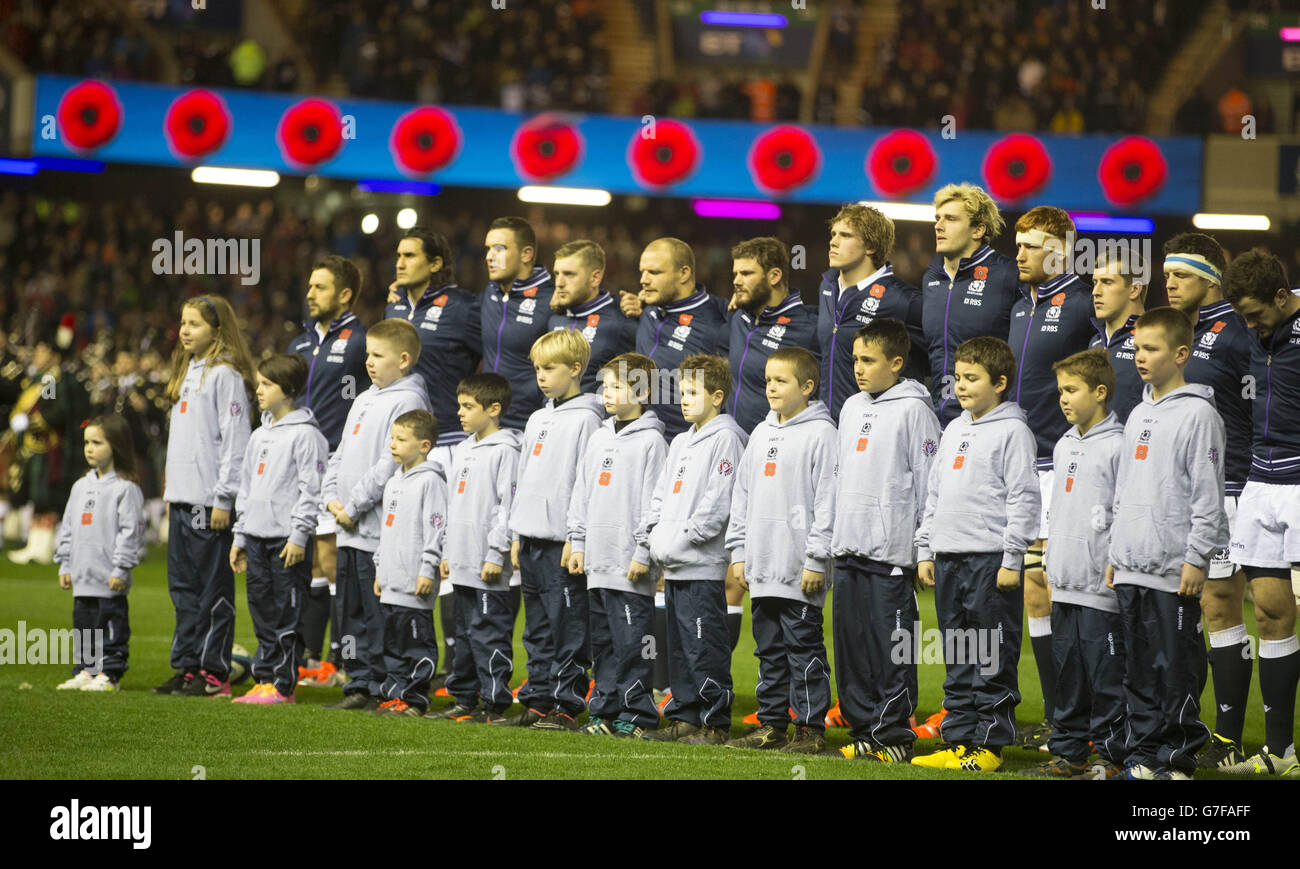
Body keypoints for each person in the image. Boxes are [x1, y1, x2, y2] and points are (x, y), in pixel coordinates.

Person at [1107, 307, 1227, 780]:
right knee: (1137, 671)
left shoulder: (1200, 414)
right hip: (1131, 565)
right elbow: (1123, 491)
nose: (1139, 356)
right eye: (1136, 347)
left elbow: (1207, 493)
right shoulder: (1137, 412)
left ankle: (1177, 759)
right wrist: (1117, 552)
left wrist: (1197, 558)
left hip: (1174, 568)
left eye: (1150, 348)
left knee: (1174, 669)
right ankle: (1141, 756)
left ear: (1181, 354)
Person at [913, 336, 1040, 772]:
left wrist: (1012, 558)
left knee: (990, 654)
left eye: (972, 378)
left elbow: (1024, 499)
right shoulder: (954, 428)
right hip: (949, 557)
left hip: (990, 561)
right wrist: (926, 547)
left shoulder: (1013, 431)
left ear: (1000, 382)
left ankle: (989, 745)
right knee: (959, 654)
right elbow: (934, 493)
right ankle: (959, 740)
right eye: (958, 377)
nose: (960, 386)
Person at [1161, 233, 1258, 770]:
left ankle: (1227, 737)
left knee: (1220, 604)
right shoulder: (1179, 331)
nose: (1169, 282)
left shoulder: (1237, 331)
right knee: (1185, 609)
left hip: (1229, 487)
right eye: (1168, 274)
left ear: (1212, 279)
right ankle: (1180, 724)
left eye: (1182, 275)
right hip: (1179, 489)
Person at [830, 319, 940, 762]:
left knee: (891, 650)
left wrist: (924, 548)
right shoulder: (851, 407)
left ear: (896, 363)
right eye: (855, 359)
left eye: (868, 360)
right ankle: (863, 730)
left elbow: (931, 485)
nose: (858, 368)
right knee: (853, 650)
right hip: (849, 548)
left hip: (892, 555)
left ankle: (892, 735)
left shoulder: (916, 411)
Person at [1008, 206, 1097, 750]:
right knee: (1035, 594)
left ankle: (1084, 720)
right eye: (1016, 245)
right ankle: (1058, 714)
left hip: (1062, 465)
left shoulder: (1085, 304)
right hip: (1021, 466)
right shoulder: (1021, 305)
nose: (1019, 254)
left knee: (1061, 587)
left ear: (1059, 250)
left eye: (1030, 245)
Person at [725, 347, 837, 754]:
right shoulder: (759, 432)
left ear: (806, 387)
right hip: (763, 565)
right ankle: (772, 724)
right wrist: (739, 552)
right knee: (769, 650)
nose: (771, 387)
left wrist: (816, 559)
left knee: (803, 649)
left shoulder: (823, 434)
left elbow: (827, 502)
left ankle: (809, 730)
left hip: (799, 568)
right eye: (768, 380)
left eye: (781, 381)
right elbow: (742, 497)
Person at [1022, 349, 1126, 779]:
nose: (1062, 398)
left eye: (1071, 390)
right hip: (1063, 582)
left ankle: (1110, 757)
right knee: (1069, 677)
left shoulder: (1119, 445)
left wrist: (1116, 560)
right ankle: (1069, 753)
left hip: (1100, 587)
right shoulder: (1064, 444)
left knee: (1107, 678)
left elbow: (1124, 510)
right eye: (1060, 389)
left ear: (1100, 392)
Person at [385, 227, 482, 685]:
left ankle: (453, 665)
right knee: (404, 552)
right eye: (398, 255)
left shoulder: (465, 308)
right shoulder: (394, 306)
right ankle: (406, 660)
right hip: (405, 448)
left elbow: (494, 356)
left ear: (437, 262)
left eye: (410, 255)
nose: (400, 263)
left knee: (447, 556)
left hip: (447, 444)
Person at [320, 319, 432, 710]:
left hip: (375, 529)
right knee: (349, 610)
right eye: (367, 353)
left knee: (376, 612)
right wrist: (331, 496)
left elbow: (389, 463)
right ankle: (358, 682)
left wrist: (353, 507)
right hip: (348, 525)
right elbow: (341, 451)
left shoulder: (408, 400)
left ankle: (383, 684)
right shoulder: (365, 397)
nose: (368, 362)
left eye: (377, 355)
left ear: (403, 360)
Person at [1220, 250, 1300, 775]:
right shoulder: (1251, 333)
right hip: (1259, 480)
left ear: (1280, 295)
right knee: (1270, 613)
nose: (1249, 326)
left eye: (1255, 315)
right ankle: (1280, 753)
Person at [501, 330, 604, 730]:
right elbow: (523, 479)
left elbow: (585, 482)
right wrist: (515, 533)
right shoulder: (537, 416)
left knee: (570, 628)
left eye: (549, 368)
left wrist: (574, 537)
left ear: (576, 369)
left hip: (561, 542)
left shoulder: (589, 419)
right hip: (529, 540)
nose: (540, 376)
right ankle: (538, 700)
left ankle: (568, 704)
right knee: (538, 629)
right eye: (537, 368)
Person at [643, 354, 747, 744]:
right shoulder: (681, 440)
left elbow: (718, 504)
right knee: (682, 647)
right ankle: (685, 716)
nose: (683, 399)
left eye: (692, 392)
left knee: (705, 646)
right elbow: (661, 496)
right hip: (676, 562)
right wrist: (656, 535)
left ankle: (714, 722)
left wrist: (683, 537)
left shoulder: (727, 438)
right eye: (681, 391)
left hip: (702, 564)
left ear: (717, 396)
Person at [154, 295, 254, 698]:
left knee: (212, 589)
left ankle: (215, 673)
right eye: (182, 322)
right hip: (183, 499)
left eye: (194, 324)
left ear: (217, 329)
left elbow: (235, 440)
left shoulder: (224, 374)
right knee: (184, 590)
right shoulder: (188, 371)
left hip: (208, 502)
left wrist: (224, 498)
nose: (184, 330)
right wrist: (170, 492)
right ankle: (187, 665)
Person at [567, 353, 666, 738]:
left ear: (641, 391)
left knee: (635, 645)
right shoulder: (598, 435)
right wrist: (578, 542)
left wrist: (643, 553)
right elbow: (582, 492)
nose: (606, 393)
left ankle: (637, 714)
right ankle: (604, 712)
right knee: (605, 644)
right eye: (604, 385)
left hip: (629, 566)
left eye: (616, 386)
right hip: (598, 563)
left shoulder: (653, 442)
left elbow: (653, 503)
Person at [288, 254, 370, 687]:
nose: (309, 294)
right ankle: (309, 657)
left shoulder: (360, 342)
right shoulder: (299, 345)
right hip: (299, 468)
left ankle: (341, 659)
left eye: (319, 287)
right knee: (311, 567)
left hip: (338, 465)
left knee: (331, 561)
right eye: (309, 286)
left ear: (344, 294)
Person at [229, 354, 329, 705]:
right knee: (262, 610)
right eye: (258, 383)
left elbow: (311, 489)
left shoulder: (306, 435)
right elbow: (246, 488)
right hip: (255, 538)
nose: (258, 390)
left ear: (287, 390)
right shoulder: (259, 435)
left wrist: (300, 535)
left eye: (266, 384)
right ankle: (265, 678)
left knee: (287, 613)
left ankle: (283, 685)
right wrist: (240, 536)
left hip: (287, 542)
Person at [434, 374, 521, 723]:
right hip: (462, 560)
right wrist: (446, 551)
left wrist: (495, 553)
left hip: (488, 563)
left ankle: (495, 701)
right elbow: (453, 506)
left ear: (494, 409)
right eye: (459, 405)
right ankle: (465, 698)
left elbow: (507, 505)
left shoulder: (506, 450)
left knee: (489, 633)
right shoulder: (465, 448)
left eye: (468, 407)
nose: (460, 413)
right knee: (465, 634)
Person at [54, 415, 145, 692]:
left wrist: (121, 569)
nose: (89, 448)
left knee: (111, 627)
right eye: (86, 443)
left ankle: (110, 674)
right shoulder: (80, 487)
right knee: (84, 627)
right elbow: (67, 527)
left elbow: (131, 533)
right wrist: (65, 564)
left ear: (115, 446)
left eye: (97, 442)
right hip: (83, 575)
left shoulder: (125, 488)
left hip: (109, 579)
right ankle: (86, 669)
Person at [371, 409, 448, 717]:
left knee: (415, 645)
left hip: (415, 583)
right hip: (391, 581)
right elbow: (384, 533)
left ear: (424, 445)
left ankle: (414, 699)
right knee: (392, 645)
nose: (393, 445)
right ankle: (394, 695)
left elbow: (436, 528)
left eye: (401, 440)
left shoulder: (430, 481)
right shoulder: (393, 482)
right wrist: (380, 569)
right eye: (392, 438)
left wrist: (428, 569)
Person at [922, 183, 1019, 427]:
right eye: (938, 218)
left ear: (978, 230)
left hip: (989, 420)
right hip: (940, 422)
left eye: (951, 219)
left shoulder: (1008, 275)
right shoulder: (931, 278)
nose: (938, 225)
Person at [818, 204, 925, 421]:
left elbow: (934, 358)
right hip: (828, 429)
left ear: (870, 247)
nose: (833, 241)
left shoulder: (903, 299)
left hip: (875, 429)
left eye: (845, 235)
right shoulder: (827, 287)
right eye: (833, 234)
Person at [635, 238, 730, 439]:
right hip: (641, 439)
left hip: (684, 444)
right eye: (642, 271)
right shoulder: (648, 310)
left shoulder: (718, 321)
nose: (644, 279)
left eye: (654, 272)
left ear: (684, 273)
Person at [728, 236, 818, 433]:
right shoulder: (738, 318)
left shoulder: (809, 327)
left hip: (780, 448)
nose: (736, 281)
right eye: (735, 273)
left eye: (746, 273)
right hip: (735, 448)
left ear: (774, 276)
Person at [481, 216, 556, 430]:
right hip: (489, 426)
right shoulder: (490, 293)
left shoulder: (552, 299)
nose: (489, 257)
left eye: (499, 249)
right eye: (488, 249)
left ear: (526, 254)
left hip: (528, 428)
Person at [547, 239, 637, 394]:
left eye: (569, 274)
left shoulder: (619, 321)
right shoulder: (555, 317)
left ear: (595, 278)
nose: (559, 283)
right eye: (557, 274)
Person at [1089, 249, 1147, 423]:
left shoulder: (1155, 339)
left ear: (1135, 289)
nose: (1096, 291)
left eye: (1106, 282)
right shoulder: (1095, 342)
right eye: (1094, 282)